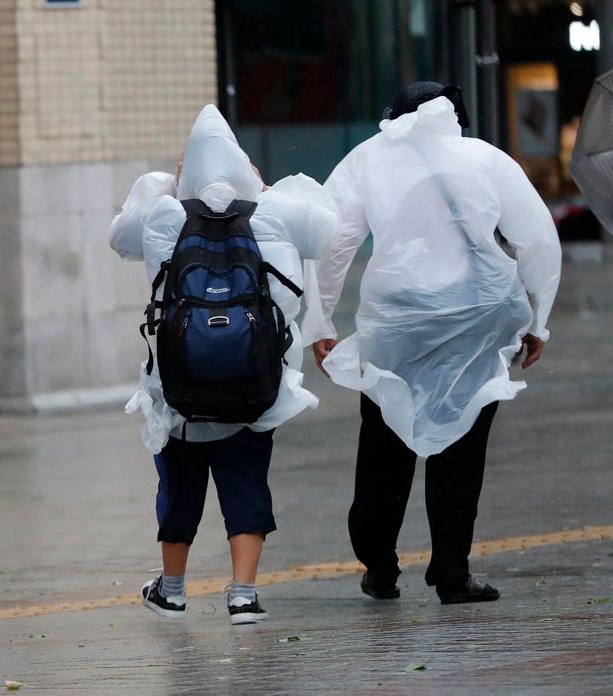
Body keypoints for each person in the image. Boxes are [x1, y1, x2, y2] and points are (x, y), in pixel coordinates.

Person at [303, 82, 562, 605]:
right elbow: (537, 237)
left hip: (398, 321)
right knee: (461, 447)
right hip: (475, 317)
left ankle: (379, 566)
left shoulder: (367, 159)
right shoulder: (485, 158)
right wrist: (539, 319)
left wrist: (321, 322)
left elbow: (331, 245)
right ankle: (451, 572)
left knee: (383, 443)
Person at [110, 104, 339, 625]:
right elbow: (328, 226)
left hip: (180, 394)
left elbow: (119, 236)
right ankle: (243, 595)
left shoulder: (167, 218)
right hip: (254, 389)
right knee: (246, 481)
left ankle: (171, 590)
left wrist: (164, 187)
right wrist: (265, 189)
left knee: (179, 485)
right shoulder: (275, 216)